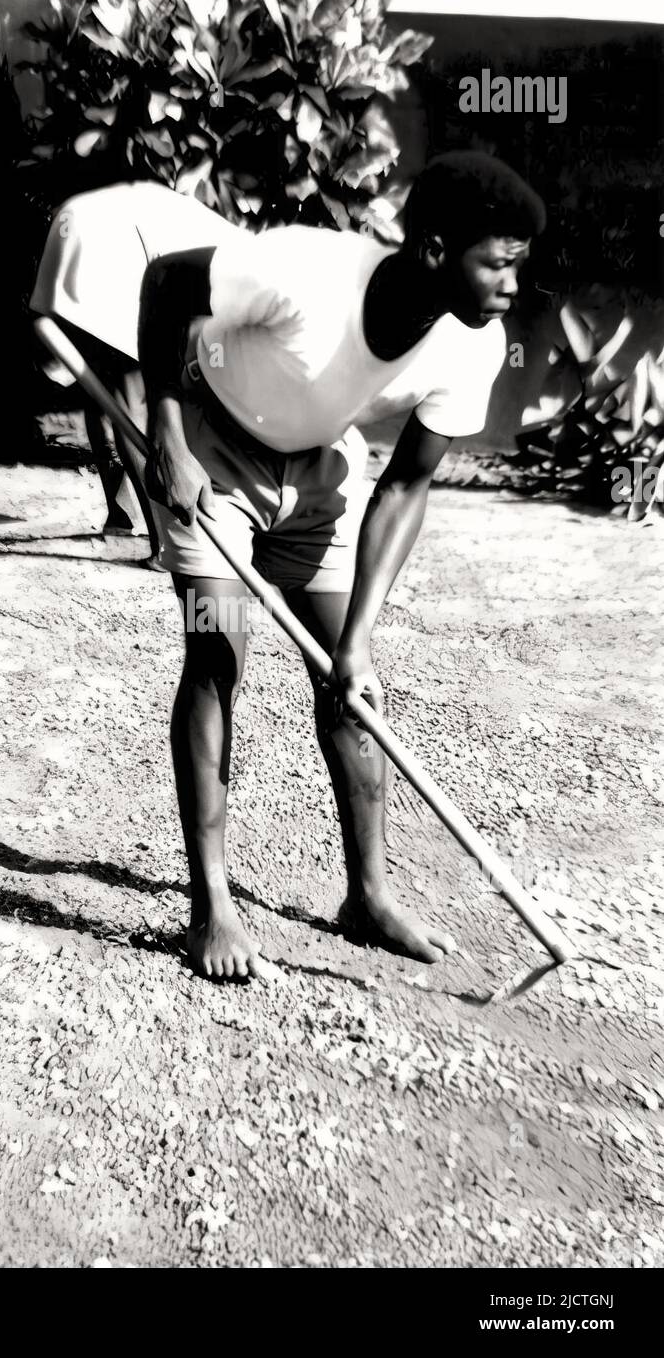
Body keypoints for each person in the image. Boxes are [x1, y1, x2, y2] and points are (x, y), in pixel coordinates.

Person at [137, 151, 546, 980]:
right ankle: (210, 904)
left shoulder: (473, 344)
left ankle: (367, 897)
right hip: (215, 453)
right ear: (435, 251)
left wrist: (357, 636)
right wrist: (167, 440)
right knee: (219, 651)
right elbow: (167, 284)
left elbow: (406, 485)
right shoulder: (304, 269)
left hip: (320, 470)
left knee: (353, 690)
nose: (511, 286)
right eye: (497, 265)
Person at [30, 181, 243, 561]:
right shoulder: (244, 270)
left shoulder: (232, 257)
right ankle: (161, 542)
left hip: (101, 233)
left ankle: (136, 523)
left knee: (116, 391)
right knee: (125, 396)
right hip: (115, 245)